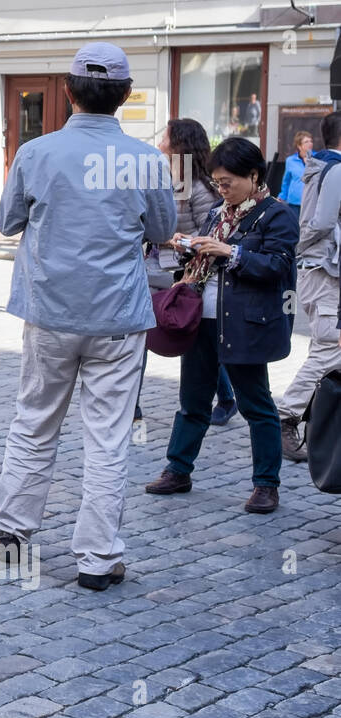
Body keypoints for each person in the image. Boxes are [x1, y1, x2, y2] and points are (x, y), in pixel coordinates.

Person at [0, 43, 176, 592]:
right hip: (116, 314)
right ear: (126, 95)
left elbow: (5, 221)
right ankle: (97, 558)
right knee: (108, 438)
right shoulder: (146, 159)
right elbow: (163, 231)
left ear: (69, 91)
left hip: (50, 312)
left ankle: (10, 531)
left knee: (34, 420)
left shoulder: (37, 152)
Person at [145, 138, 297, 514]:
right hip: (202, 320)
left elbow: (277, 267)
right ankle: (178, 469)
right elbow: (208, 257)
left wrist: (232, 252)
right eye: (216, 181)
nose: (221, 188)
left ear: (253, 176)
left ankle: (266, 485)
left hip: (243, 324)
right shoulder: (218, 212)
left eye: (227, 181)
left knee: (256, 406)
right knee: (192, 401)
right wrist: (190, 247)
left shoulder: (276, 215)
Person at [152, 118, 238, 427]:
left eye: (166, 135)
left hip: (183, 271)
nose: (160, 138)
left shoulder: (200, 187)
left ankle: (226, 397)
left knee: (195, 338)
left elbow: (211, 235)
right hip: (159, 265)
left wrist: (170, 239)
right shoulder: (170, 176)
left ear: (179, 144)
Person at [278, 112, 341, 461]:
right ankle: (287, 415)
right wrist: (306, 244)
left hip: (320, 270)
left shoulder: (321, 166)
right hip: (323, 271)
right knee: (330, 348)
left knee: (329, 347)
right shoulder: (336, 170)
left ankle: (315, 418)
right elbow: (322, 222)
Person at [279, 130, 314, 224]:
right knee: (294, 227)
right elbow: (286, 181)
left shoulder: (317, 158)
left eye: (311, 141)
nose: (310, 144)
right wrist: (282, 196)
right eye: (306, 142)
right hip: (294, 201)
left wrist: (309, 163)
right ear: (299, 146)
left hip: (311, 201)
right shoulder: (290, 161)